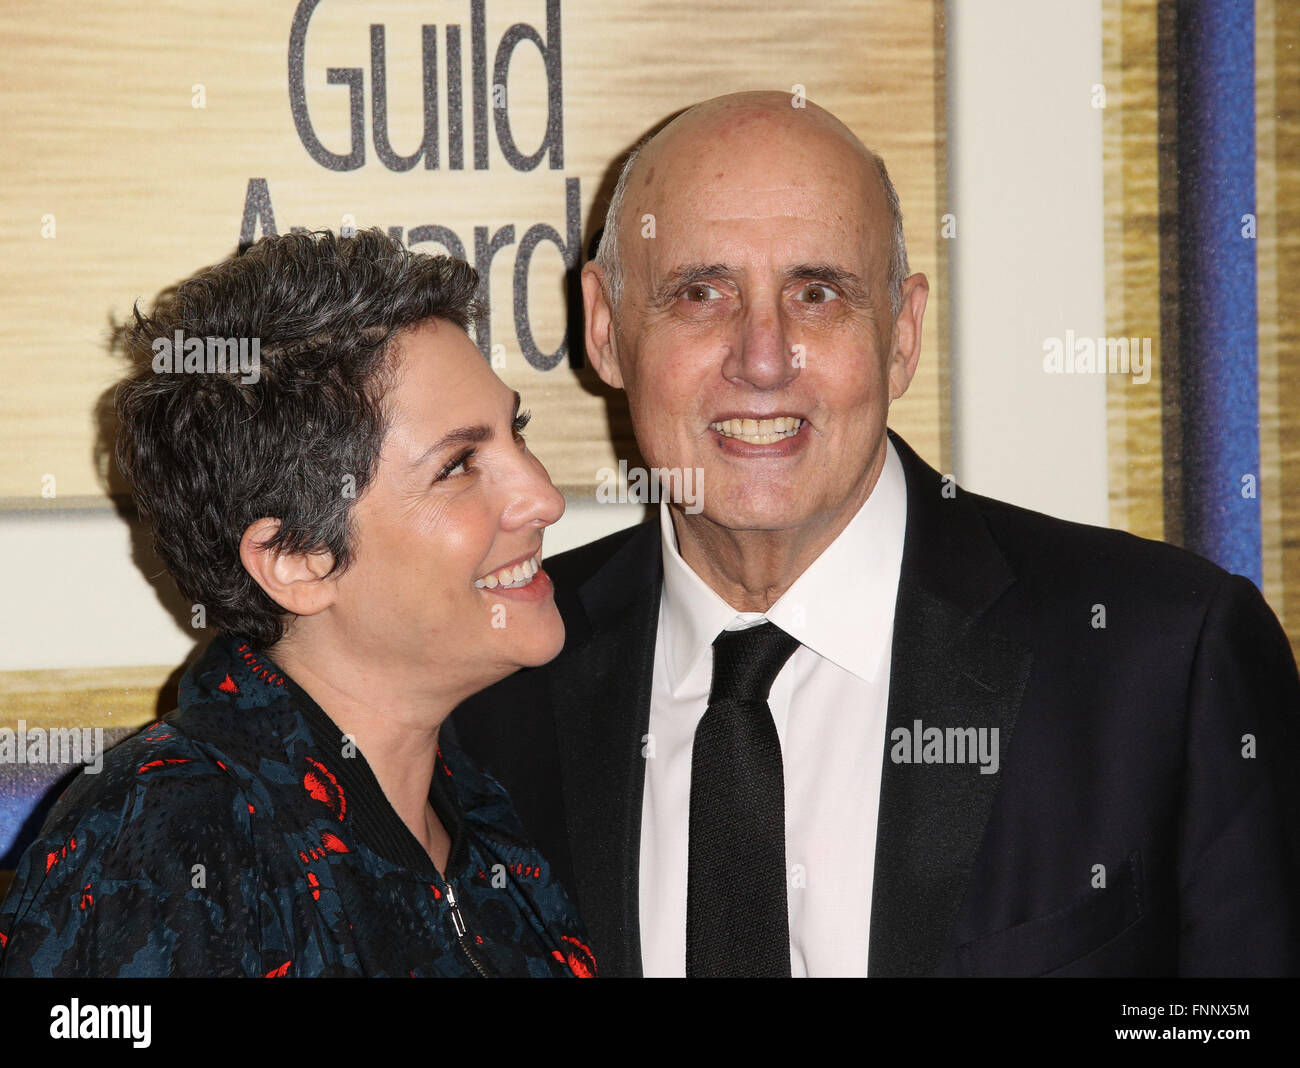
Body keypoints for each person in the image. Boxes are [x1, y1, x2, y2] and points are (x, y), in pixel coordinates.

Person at [451, 91, 1300, 977]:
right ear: (604, 328)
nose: (764, 358)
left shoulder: (1164, 659)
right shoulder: (495, 682)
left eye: (817, 294)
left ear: (901, 332)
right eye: (701, 293)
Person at [0, 229, 596, 978]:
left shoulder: (475, 805)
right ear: (295, 560)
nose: (542, 497)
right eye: (459, 465)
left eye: (518, 434)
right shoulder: (161, 844)